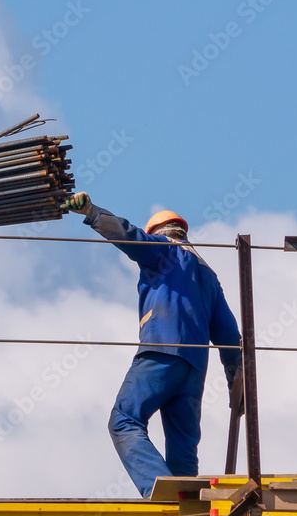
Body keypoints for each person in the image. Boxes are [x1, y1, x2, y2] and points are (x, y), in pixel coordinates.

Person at [64, 192, 241, 499]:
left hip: (161, 353)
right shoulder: (210, 278)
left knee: (124, 420)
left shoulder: (164, 252)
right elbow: (229, 337)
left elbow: (128, 236)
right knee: (183, 448)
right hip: (194, 370)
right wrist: (237, 387)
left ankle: (161, 489)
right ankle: (187, 506)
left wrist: (93, 213)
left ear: (158, 234)